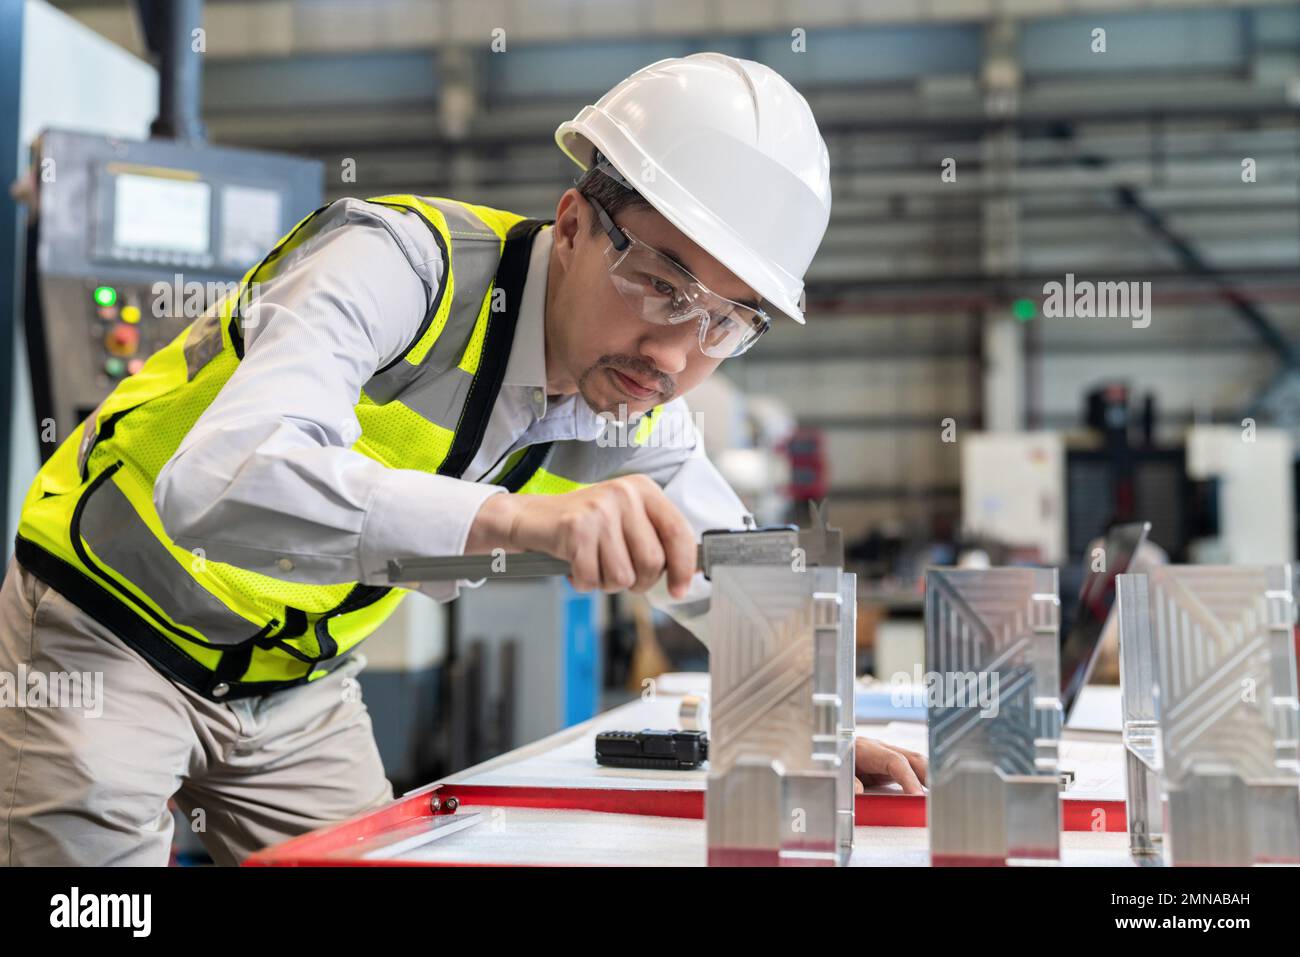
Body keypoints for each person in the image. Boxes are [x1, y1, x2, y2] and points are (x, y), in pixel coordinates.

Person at [1, 52, 925, 867]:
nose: (677, 352)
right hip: (106, 633)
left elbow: (716, 558)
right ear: (571, 224)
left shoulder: (634, 406)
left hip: (292, 689)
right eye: (660, 282)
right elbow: (219, 479)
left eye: (728, 322)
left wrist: (810, 719)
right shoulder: (396, 264)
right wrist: (515, 521)